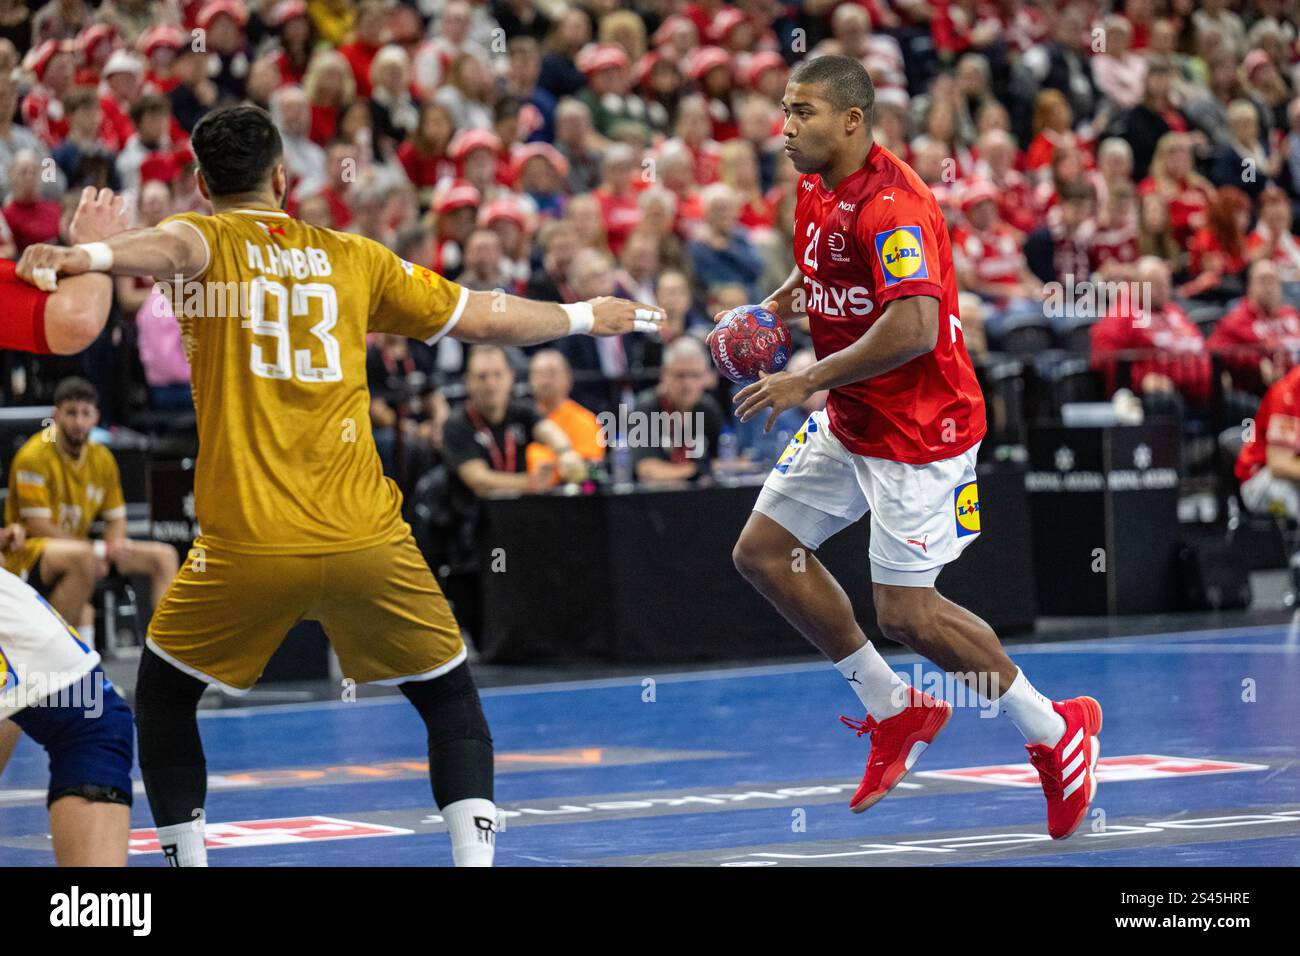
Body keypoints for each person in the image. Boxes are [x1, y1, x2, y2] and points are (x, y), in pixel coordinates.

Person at [15, 104, 662, 868]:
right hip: (368, 540)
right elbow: (484, 317)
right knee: (449, 696)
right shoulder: (355, 257)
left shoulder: (206, 239)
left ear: (200, 183)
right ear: (283, 179)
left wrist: (85, 254)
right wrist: (586, 313)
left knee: (162, 697)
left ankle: (188, 862)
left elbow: (166, 243)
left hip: (248, 547)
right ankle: (474, 860)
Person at [720, 55, 1102, 840]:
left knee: (907, 612)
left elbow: (915, 327)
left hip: (920, 433)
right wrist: (794, 296)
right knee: (762, 553)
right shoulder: (816, 186)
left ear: (852, 121)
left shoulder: (895, 206)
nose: (785, 128)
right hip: (856, 415)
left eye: (804, 113)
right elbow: (831, 257)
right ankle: (895, 707)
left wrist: (804, 381)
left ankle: (1054, 731)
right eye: (785, 110)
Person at [0, 184, 134, 866]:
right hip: (40, 559)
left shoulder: (97, 458)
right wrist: (93, 248)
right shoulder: (37, 451)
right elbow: (79, 320)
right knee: (94, 723)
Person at [4, 377, 181, 633]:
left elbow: (116, 518)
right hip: (34, 552)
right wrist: (96, 548)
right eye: (71, 413)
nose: (78, 422)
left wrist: (114, 543)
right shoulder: (34, 456)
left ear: (96, 417)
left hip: (85, 549)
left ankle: (165, 652)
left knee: (164, 556)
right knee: (85, 567)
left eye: (85, 413)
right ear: (56, 415)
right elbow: (38, 526)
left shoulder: (102, 459)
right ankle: (62, 652)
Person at [631, 336, 725, 482]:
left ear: (706, 378)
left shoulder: (708, 408)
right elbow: (646, 470)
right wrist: (698, 469)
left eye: (695, 375)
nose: (688, 384)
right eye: (680, 375)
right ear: (664, 375)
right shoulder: (646, 407)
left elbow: (724, 460)